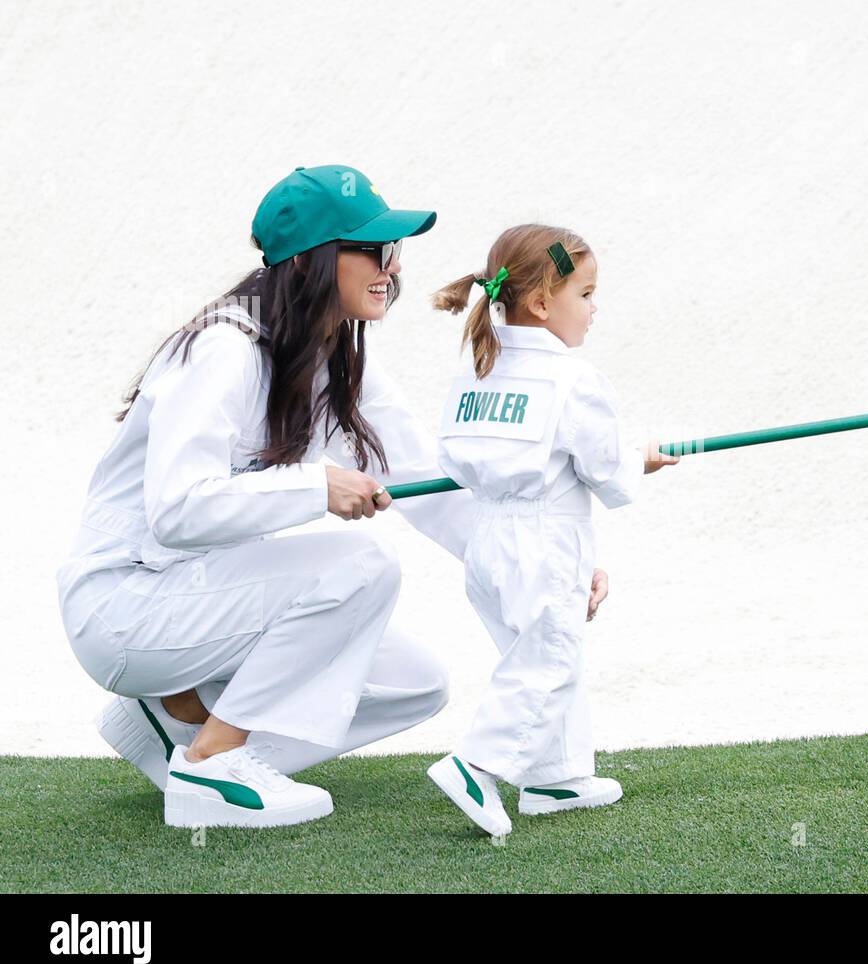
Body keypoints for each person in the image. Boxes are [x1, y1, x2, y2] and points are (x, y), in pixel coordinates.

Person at [54, 167, 612, 829]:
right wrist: (315, 485)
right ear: (315, 260)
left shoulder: (339, 356)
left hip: (198, 606)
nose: (393, 266)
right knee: (361, 564)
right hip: (125, 609)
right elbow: (176, 511)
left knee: (414, 685)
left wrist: (541, 564)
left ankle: (175, 721)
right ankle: (214, 761)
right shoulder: (221, 351)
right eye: (375, 250)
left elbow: (423, 481)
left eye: (393, 250)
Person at [424, 224, 677, 837]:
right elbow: (606, 473)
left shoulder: (477, 369)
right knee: (550, 659)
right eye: (586, 295)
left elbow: (454, 461)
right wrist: (637, 457)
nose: (595, 309)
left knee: (534, 651)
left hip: (487, 541)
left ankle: (555, 777)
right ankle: (476, 766)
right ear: (541, 303)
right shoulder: (573, 377)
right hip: (543, 540)